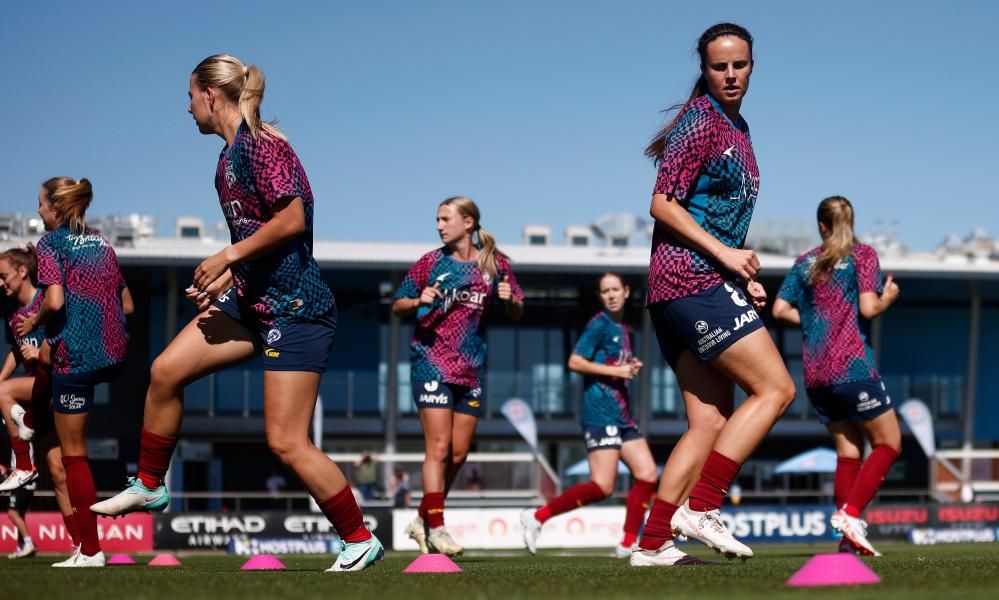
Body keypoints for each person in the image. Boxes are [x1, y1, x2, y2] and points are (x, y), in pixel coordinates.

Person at [89, 54, 383, 572]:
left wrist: (227, 257)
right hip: (251, 303)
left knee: (286, 442)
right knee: (164, 372)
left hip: (296, 310)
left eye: (189, 96)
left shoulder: (264, 145)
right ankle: (151, 486)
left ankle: (359, 538)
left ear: (210, 94)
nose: (187, 108)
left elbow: (292, 220)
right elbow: (257, 240)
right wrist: (228, 278)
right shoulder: (227, 159)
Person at [631, 23, 796, 567]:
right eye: (719, 66)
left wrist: (738, 271)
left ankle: (652, 543)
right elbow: (662, 204)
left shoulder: (738, 127)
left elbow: (712, 216)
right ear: (703, 69)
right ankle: (702, 508)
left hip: (685, 286)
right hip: (690, 282)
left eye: (739, 65)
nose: (730, 74)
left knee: (708, 421)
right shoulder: (701, 122)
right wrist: (725, 258)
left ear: (753, 66)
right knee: (775, 389)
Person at [392, 196, 524, 557]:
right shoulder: (430, 262)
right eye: (437, 219)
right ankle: (437, 527)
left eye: (445, 218)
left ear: (468, 222)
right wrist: (419, 299)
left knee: (459, 452)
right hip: (430, 363)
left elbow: (517, 310)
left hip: (471, 369)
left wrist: (509, 299)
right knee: (438, 447)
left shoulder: (494, 264)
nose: (439, 225)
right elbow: (397, 304)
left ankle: (421, 519)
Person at [773, 196, 901, 556]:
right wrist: (888, 296)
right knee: (889, 444)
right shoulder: (864, 255)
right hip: (852, 367)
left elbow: (780, 309)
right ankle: (851, 514)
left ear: (821, 225)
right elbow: (868, 307)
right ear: (852, 222)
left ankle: (847, 541)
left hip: (816, 375)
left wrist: (813, 322)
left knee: (848, 451)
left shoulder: (804, 263)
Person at [16, 177, 133, 568]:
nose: (37, 210)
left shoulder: (51, 244)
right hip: (115, 354)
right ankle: (30, 421)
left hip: (78, 359)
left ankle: (91, 552)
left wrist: (33, 321)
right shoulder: (103, 243)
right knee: (47, 353)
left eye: (40, 204)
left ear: (56, 208)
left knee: (74, 459)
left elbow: (53, 300)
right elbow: (128, 306)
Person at [521, 273, 658, 558]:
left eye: (615, 290)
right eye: (605, 291)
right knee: (603, 486)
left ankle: (627, 543)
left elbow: (612, 363)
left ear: (626, 291)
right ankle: (537, 517)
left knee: (647, 475)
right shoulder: (599, 325)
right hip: (600, 413)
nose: (611, 295)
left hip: (622, 415)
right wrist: (617, 371)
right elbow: (574, 361)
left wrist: (629, 365)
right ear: (600, 296)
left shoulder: (623, 328)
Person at [0, 245, 46, 492]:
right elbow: (17, 350)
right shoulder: (13, 314)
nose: (0, 283)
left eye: (3, 276)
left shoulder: (48, 301)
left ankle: (24, 465)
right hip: (36, 389)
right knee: (58, 474)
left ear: (22, 271)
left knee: (3, 393)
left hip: (58, 382)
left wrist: (42, 354)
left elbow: (71, 339)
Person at [5, 437, 36, 558]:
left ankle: (28, 544)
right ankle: (22, 545)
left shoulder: (22, 440)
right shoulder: (23, 440)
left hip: (23, 482)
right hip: (26, 482)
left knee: (13, 513)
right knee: (20, 514)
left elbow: (22, 466)